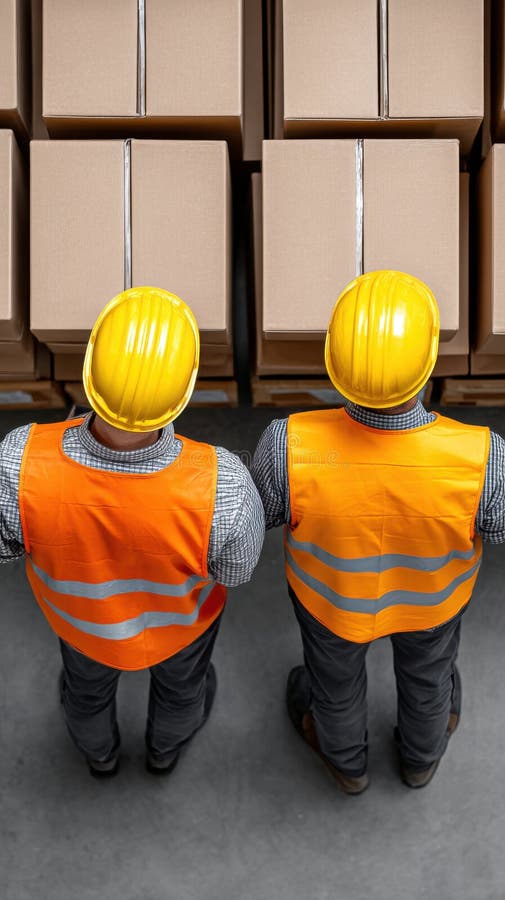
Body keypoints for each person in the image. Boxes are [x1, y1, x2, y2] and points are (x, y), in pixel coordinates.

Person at [251, 269, 505, 794]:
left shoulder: (289, 442)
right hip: (433, 604)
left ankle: (348, 766)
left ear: (334, 366)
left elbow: (262, 516)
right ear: (429, 363)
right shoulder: (482, 455)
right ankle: (421, 759)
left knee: (335, 688)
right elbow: (497, 527)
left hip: (332, 605)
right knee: (430, 681)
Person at [0, 286, 264, 778]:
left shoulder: (19, 459)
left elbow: (4, 545)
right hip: (179, 631)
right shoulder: (223, 481)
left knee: (85, 694)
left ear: (89, 370)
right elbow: (236, 571)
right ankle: (164, 754)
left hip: (81, 626)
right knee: (183, 690)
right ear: (184, 395)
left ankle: (99, 759)